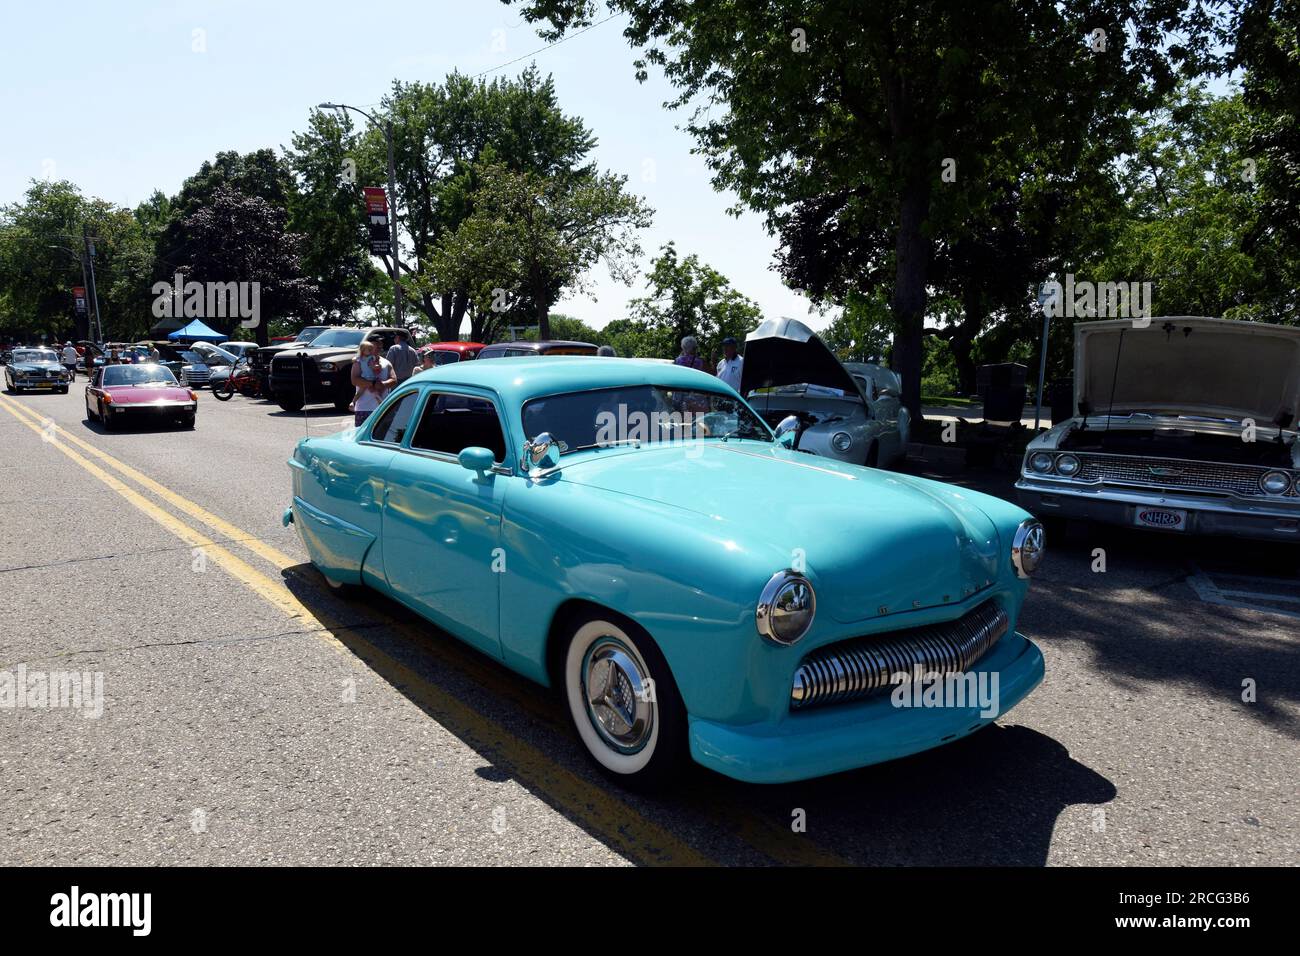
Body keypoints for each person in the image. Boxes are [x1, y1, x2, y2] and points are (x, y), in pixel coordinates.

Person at [350, 338, 395, 429]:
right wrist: (373, 383)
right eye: (375, 345)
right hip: (363, 408)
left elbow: (394, 380)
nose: (378, 347)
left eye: (380, 345)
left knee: (381, 437)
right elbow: (354, 380)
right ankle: (352, 402)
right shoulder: (359, 361)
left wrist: (383, 384)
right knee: (361, 438)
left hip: (383, 409)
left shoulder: (386, 362)